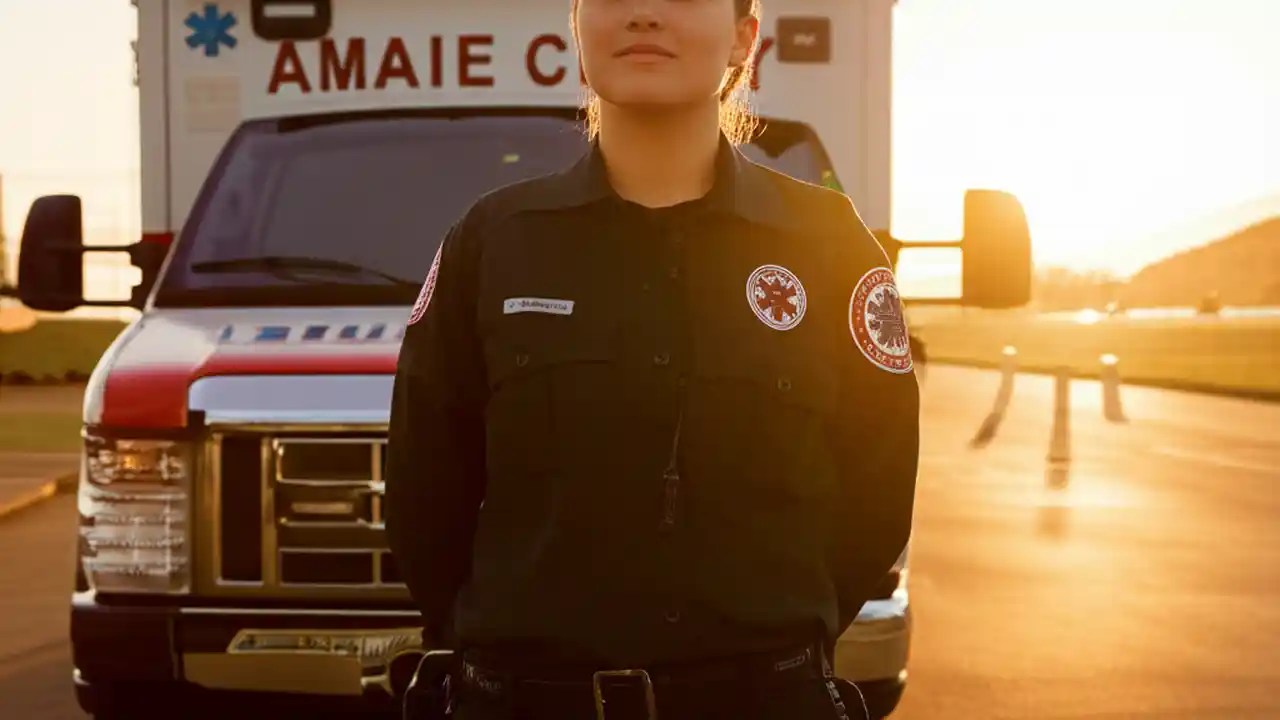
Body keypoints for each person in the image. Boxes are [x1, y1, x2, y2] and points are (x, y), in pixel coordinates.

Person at [385, 0, 921, 717]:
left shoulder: (828, 245)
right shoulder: (492, 242)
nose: (643, 13)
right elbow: (426, 491)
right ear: (577, 28)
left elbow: (877, 491)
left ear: (743, 38)